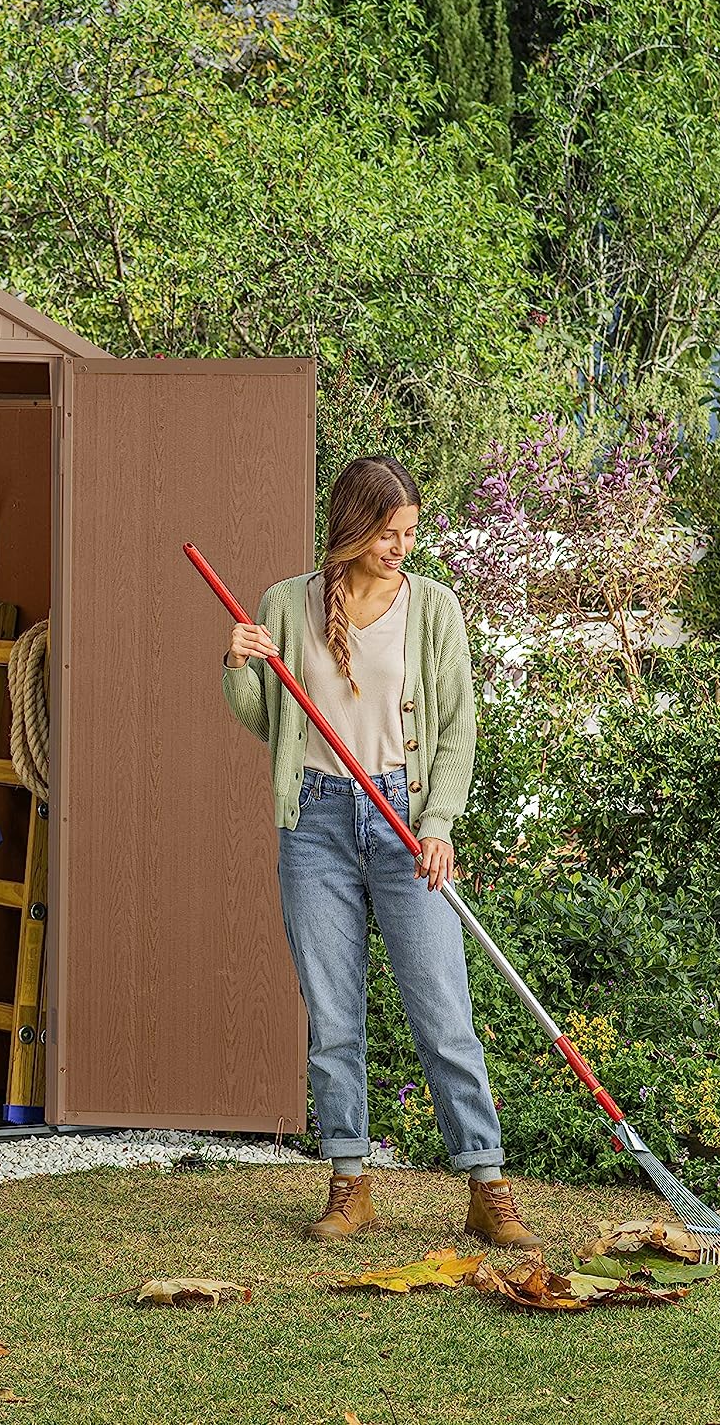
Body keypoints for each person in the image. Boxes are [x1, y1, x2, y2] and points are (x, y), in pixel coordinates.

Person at [221, 455, 540, 1248]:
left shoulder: (434, 608)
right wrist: (239, 663)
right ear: (354, 528)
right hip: (316, 822)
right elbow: (271, 724)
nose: (402, 546)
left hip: (404, 819)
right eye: (389, 533)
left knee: (444, 1015)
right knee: (333, 1018)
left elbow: (458, 728)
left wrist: (439, 823)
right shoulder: (286, 605)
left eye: (409, 532)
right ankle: (349, 1184)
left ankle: (486, 1184)